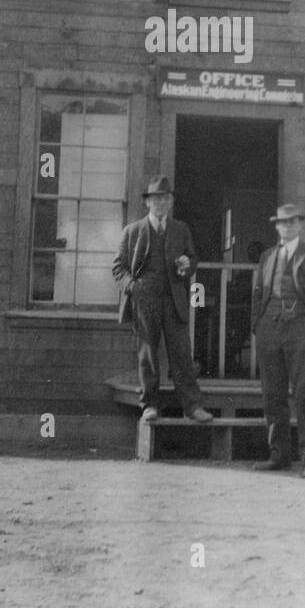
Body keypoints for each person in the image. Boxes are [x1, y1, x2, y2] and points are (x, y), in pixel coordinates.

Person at [113, 175, 214, 424]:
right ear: (148, 202)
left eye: (166, 198)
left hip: (175, 301)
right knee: (147, 355)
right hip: (144, 301)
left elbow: (192, 262)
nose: (161, 203)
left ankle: (193, 407)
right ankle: (149, 405)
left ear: (170, 202)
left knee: (182, 354)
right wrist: (133, 288)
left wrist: (185, 267)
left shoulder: (181, 229)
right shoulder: (133, 231)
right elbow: (118, 268)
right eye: (156, 198)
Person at [251, 203, 305, 479]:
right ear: (276, 226)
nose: (286, 227)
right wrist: (257, 325)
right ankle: (279, 456)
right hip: (269, 328)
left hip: (300, 328)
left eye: (292, 222)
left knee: (304, 392)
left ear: (301, 225)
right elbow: (258, 292)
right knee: (272, 395)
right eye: (282, 223)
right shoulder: (267, 256)